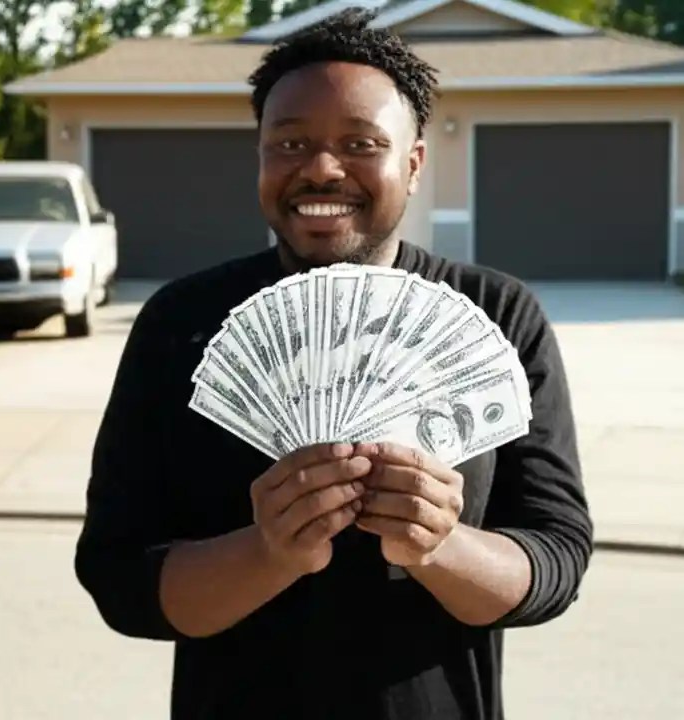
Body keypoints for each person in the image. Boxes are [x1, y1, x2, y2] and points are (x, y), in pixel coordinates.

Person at [76, 9, 593, 719]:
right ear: (260, 156)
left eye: (361, 143)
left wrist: (439, 547)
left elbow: (557, 557)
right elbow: (118, 576)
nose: (321, 168)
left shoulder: (498, 316)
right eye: (290, 143)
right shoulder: (180, 322)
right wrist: (269, 554)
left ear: (413, 163)